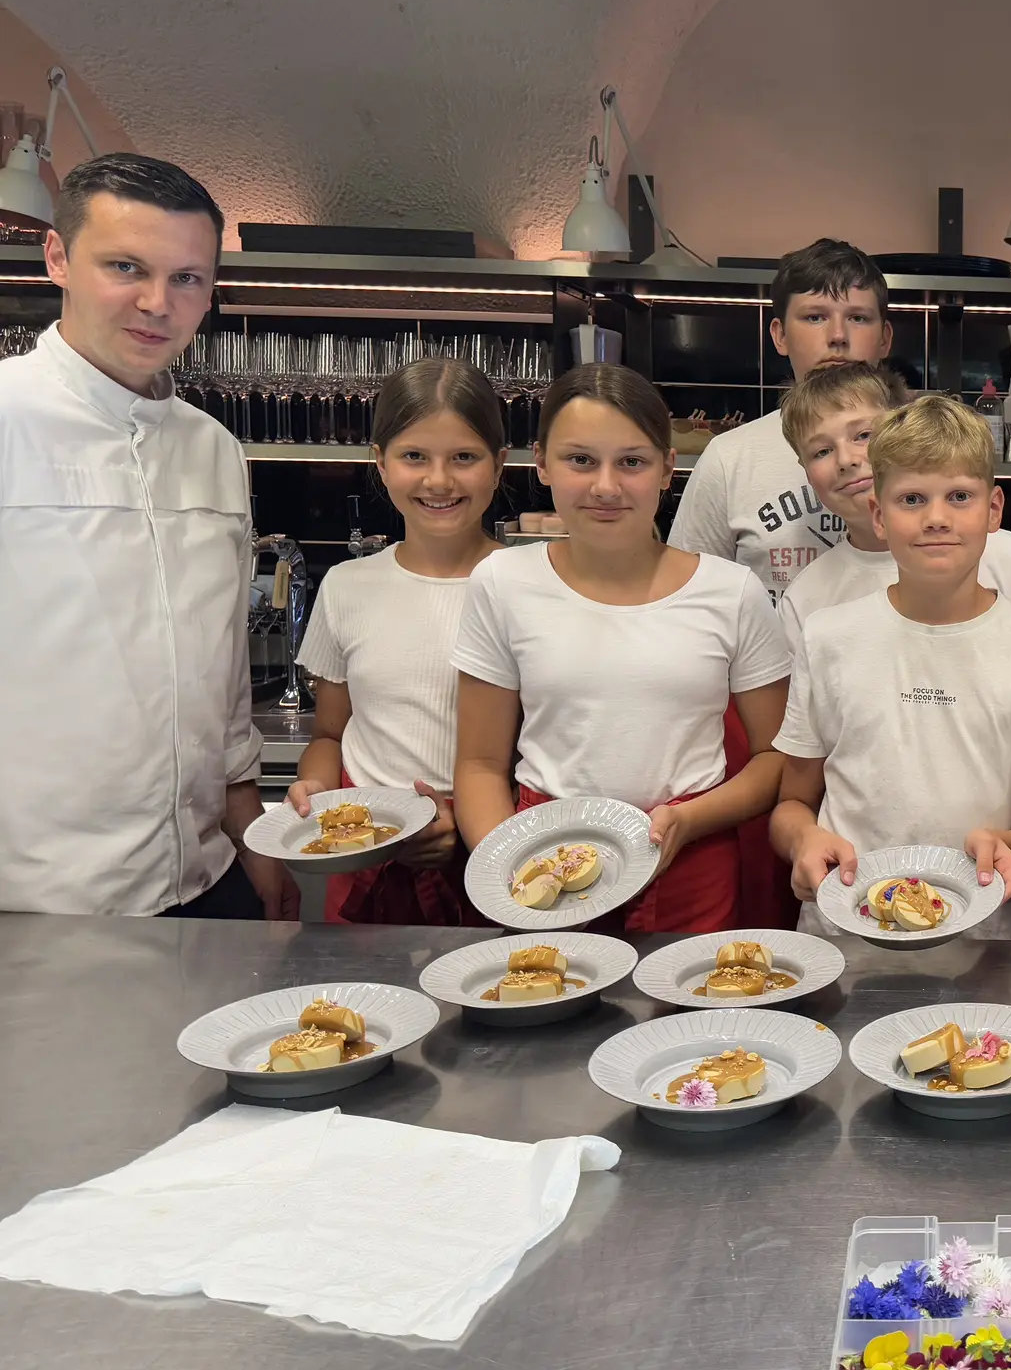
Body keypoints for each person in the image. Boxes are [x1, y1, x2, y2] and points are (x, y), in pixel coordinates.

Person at [0, 153, 294, 919]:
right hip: (38, 905)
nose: (157, 302)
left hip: (207, 879)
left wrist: (248, 834)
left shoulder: (215, 451)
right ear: (58, 258)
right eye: (125, 266)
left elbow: (224, 680)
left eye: (188, 278)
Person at [452, 363, 790, 934]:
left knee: (686, 1021)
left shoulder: (731, 591)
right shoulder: (501, 581)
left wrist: (689, 821)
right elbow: (481, 763)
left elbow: (775, 759)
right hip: (544, 851)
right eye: (580, 460)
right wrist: (507, 867)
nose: (605, 486)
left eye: (631, 462)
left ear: (667, 469)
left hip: (690, 856)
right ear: (541, 463)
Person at [771, 395, 1011, 939]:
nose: (937, 518)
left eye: (960, 496)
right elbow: (792, 802)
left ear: (994, 509)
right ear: (880, 516)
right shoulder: (828, 635)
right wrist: (803, 840)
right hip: (841, 929)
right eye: (912, 499)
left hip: (978, 934)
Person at [287, 357, 506, 924]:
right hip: (368, 859)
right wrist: (313, 784)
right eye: (415, 457)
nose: (439, 480)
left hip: (497, 859)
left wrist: (466, 820)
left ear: (499, 466)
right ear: (381, 464)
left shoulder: (530, 587)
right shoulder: (348, 586)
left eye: (464, 457)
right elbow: (331, 732)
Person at [775, 360, 1011, 648]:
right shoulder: (806, 600)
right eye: (821, 452)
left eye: (863, 435)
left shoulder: (1001, 552)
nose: (845, 460)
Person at [667, 238, 894, 602]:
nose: (837, 336)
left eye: (857, 317)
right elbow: (690, 601)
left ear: (884, 338)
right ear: (780, 335)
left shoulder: (925, 444)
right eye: (815, 317)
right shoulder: (729, 458)